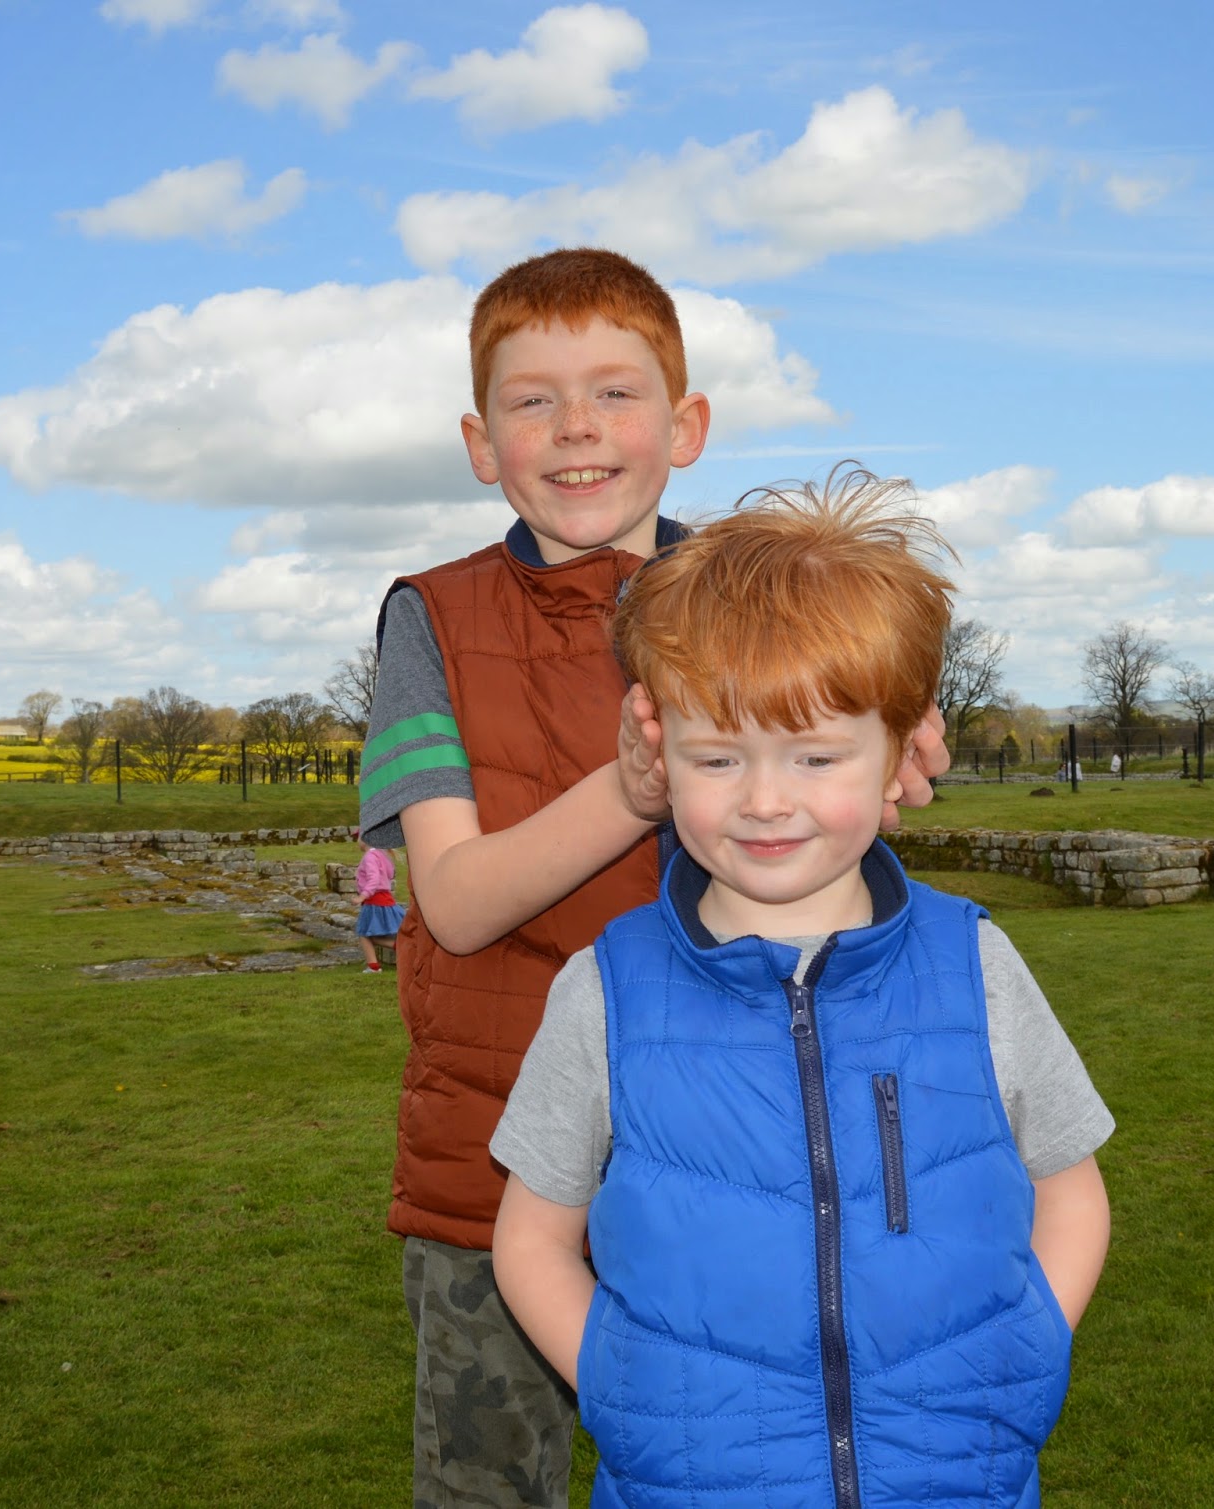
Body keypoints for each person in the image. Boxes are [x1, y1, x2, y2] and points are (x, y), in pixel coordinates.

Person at [357, 247, 951, 1509]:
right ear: (480, 442)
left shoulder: (765, 592)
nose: (577, 429)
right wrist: (629, 789)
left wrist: (896, 728)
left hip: (736, 1150)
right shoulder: (431, 618)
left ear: (684, 425)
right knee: (488, 1491)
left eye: (616, 394)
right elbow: (454, 904)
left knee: (736, 1475)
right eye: (532, 401)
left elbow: (866, 754)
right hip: (497, 1159)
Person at [491, 470, 1114, 1507]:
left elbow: (1068, 1183)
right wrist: (612, 1376)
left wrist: (1030, 1341)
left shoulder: (976, 962)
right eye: (719, 756)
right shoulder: (606, 987)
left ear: (899, 750)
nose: (766, 801)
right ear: (657, 743)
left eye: (817, 754)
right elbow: (534, 1234)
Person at [354, 844, 406, 973]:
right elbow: (390, 873)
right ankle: (400, 947)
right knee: (369, 934)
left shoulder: (370, 856)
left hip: (374, 901)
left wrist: (363, 896)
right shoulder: (381, 854)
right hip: (385, 899)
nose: (357, 841)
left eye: (359, 837)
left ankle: (374, 966)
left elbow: (374, 879)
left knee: (364, 933)